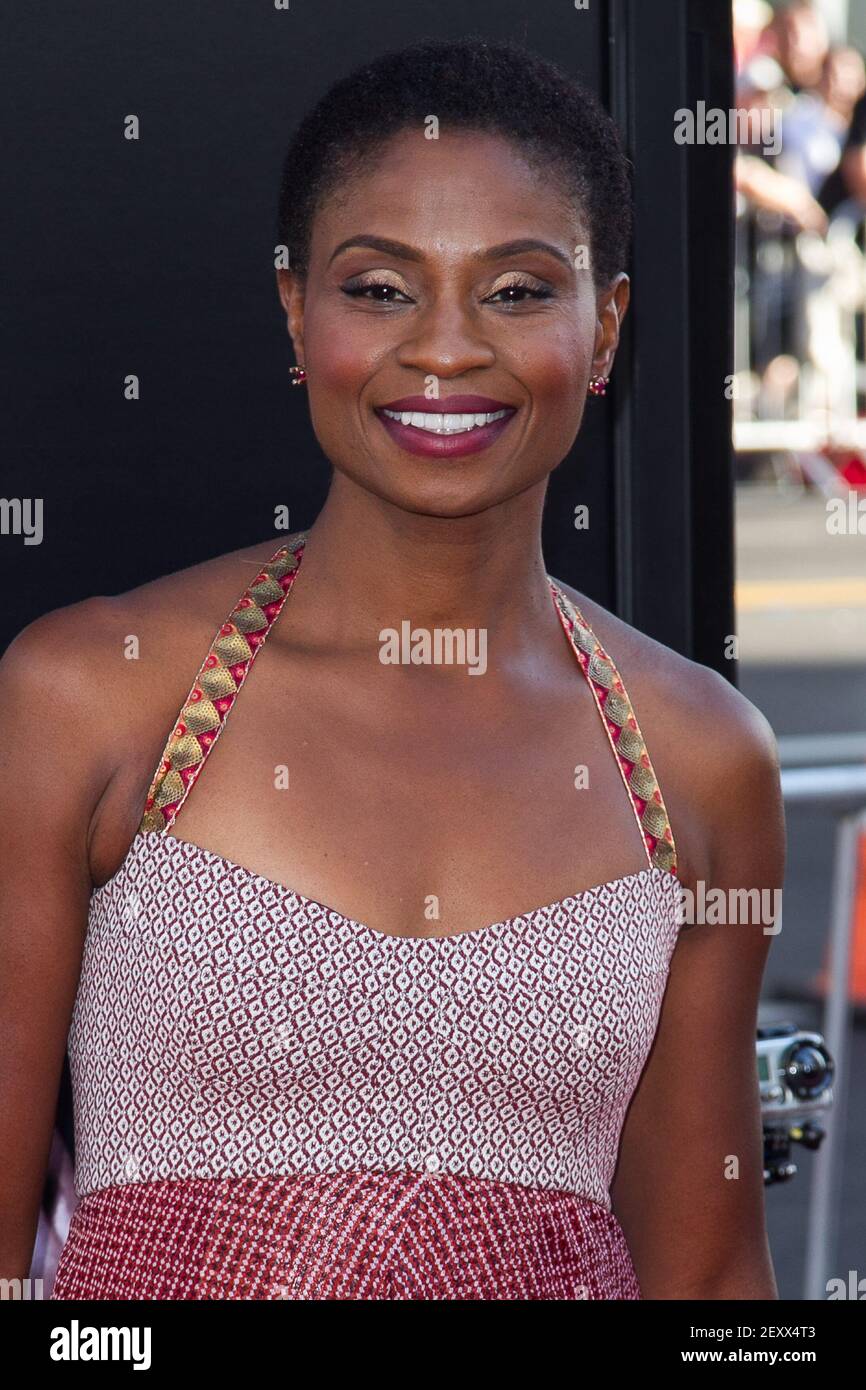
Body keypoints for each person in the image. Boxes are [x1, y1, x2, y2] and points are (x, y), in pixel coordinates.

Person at [0, 36, 784, 1301]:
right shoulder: (91, 694)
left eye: (518, 291)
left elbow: (709, 1276)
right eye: (378, 288)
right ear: (294, 310)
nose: (445, 350)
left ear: (606, 328)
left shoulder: (698, 758)